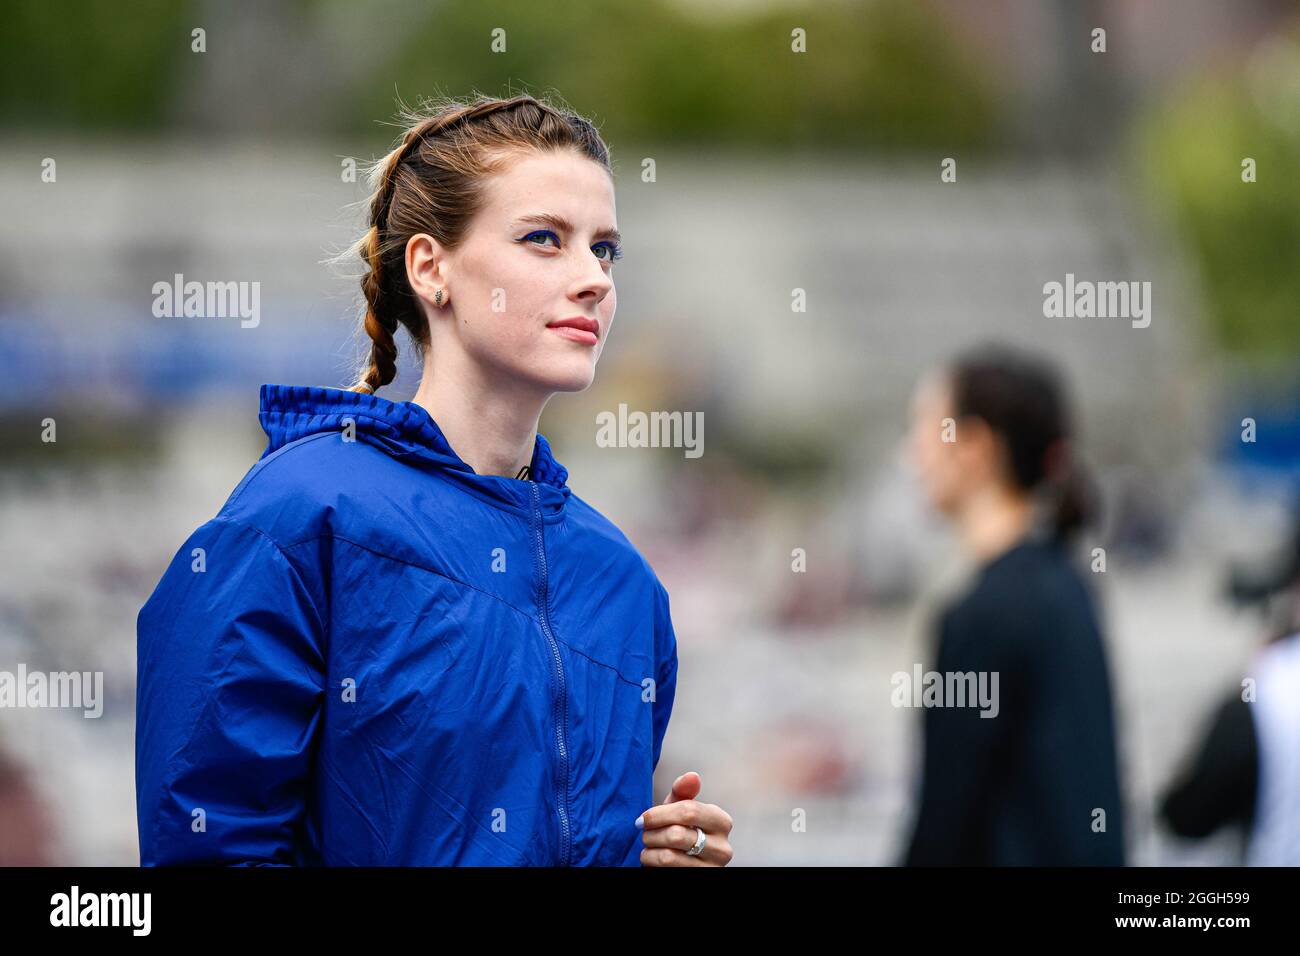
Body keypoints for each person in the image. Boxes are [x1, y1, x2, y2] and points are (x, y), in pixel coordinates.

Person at [135, 93, 733, 867]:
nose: (592, 279)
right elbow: (206, 848)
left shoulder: (624, 585)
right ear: (431, 268)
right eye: (544, 239)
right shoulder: (299, 518)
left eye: (605, 249)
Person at [899, 344, 1125, 865]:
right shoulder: (1067, 587)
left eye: (924, 429)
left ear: (974, 445)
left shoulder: (983, 615)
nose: (911, 454)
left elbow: (944, 825)